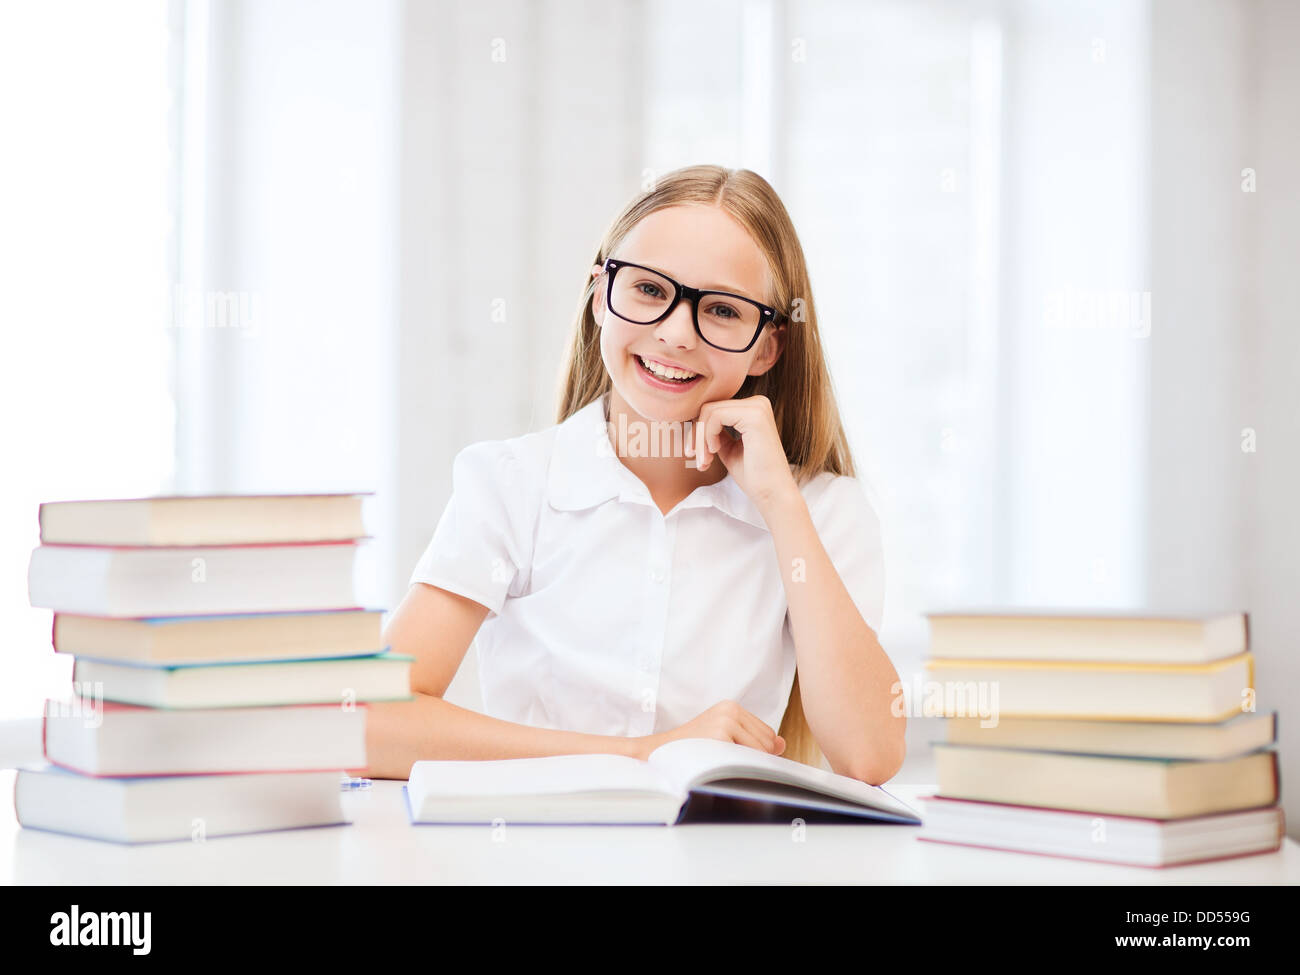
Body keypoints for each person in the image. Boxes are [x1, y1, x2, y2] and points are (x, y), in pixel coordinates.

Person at [361, 164, 905, 784]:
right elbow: (374, 722)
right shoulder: (511, 483)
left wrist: (781, 504)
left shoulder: (822, 510)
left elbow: (868, 757)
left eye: (723, 310)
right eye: (649, 290)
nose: (675, 334)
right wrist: (646, 755)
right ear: (600, 296)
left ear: (766, 347)